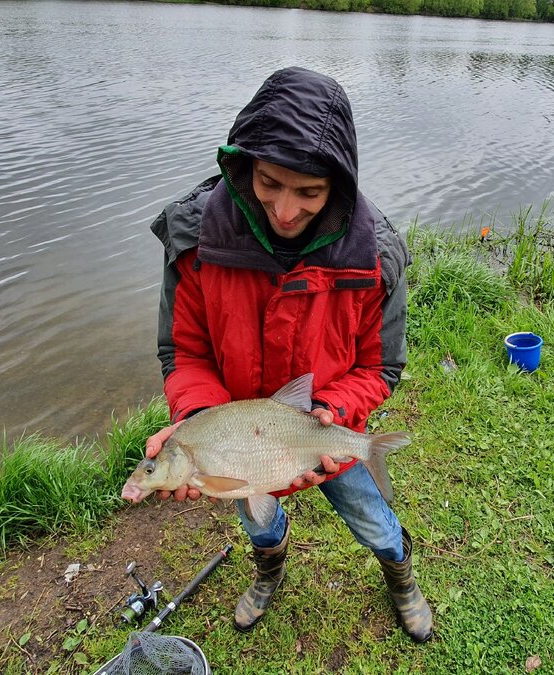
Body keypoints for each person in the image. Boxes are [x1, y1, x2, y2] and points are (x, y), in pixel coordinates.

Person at [143, 67, 431, 643]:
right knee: (257, 519)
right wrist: (198, 417)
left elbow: (380, 369)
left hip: (324, 431)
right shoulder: (194, 238)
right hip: (241, 442)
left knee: (372, 518)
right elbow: (185, 352)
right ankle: (268, 574)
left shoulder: (377, 258)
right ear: (243, 164)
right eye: (270, 182)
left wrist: (332, 408)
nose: (283, 209)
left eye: (309, 192)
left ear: (338, 187)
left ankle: (400, 577)